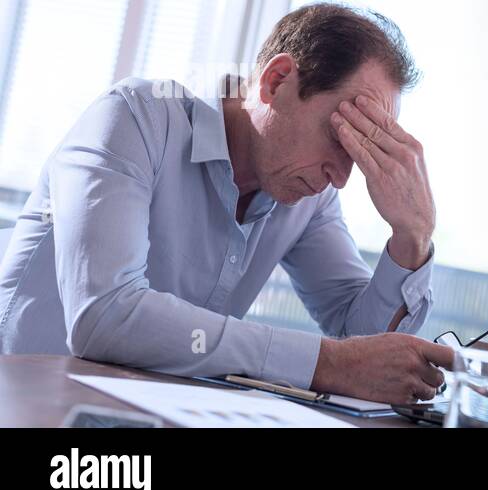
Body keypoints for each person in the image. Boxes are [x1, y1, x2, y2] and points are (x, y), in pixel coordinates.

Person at [0, 3, 453, 404]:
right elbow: (106, 315)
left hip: (151, 419)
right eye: (340, 136)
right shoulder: (134, 118)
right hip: (30, 405)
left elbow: (364, 347)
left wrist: (412, 235)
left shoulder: (308, 198)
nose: (341, 176)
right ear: (276, 82)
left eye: (362, 151)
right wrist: (325, 363)